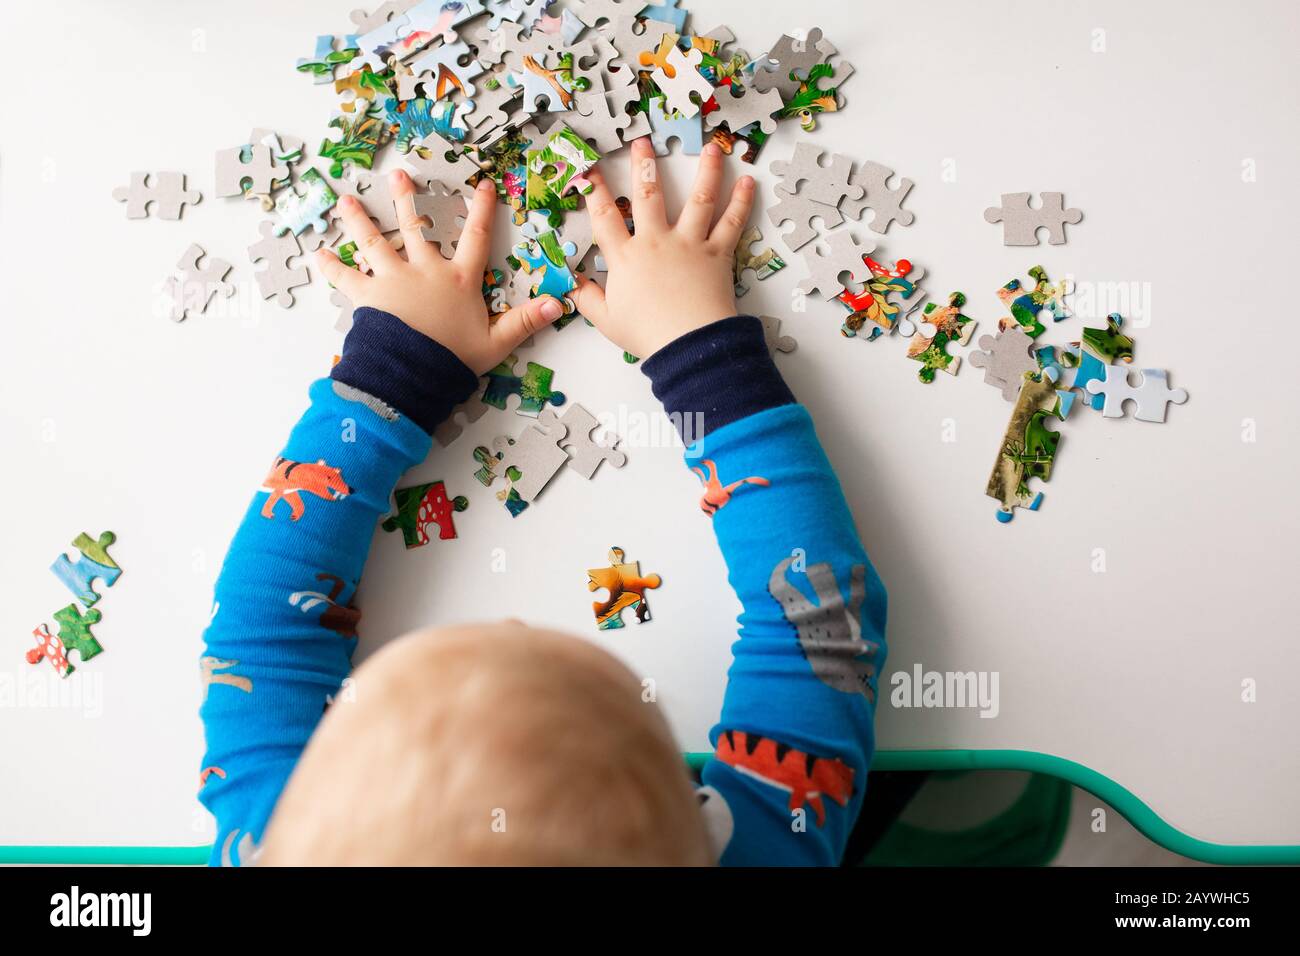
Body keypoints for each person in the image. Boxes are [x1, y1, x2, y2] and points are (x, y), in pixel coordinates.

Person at [198, 138, 887, 866]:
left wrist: (397, 373)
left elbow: (259, 640)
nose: (514, 621)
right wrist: (701, 353)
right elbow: (823, 625)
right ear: (701, 824)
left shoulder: (288, 846)